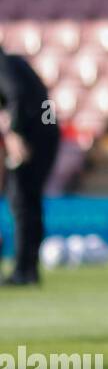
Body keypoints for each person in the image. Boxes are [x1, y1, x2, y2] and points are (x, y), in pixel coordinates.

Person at [0, 47, 59, 286]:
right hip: (44, 132)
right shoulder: (14, 62)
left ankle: (24, 271)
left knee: (22, 201)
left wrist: (15, 133)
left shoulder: (3, 63)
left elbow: (17, 94)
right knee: (28, 203)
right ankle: (28, 270)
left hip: (32, 136)